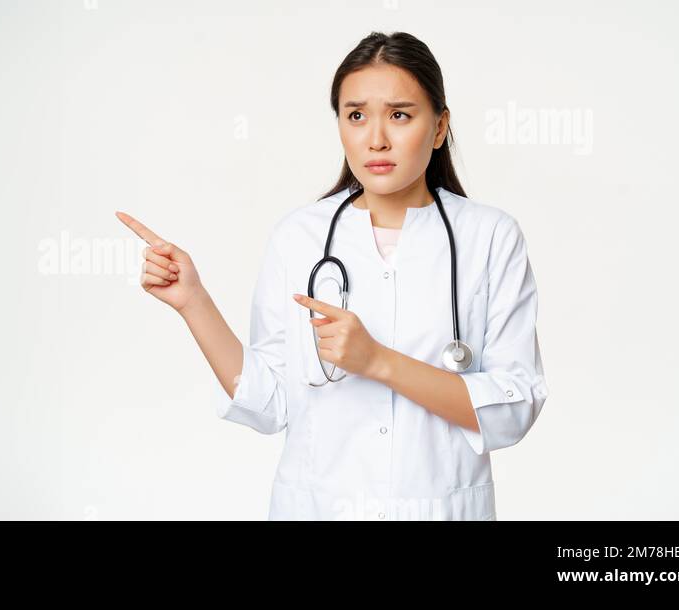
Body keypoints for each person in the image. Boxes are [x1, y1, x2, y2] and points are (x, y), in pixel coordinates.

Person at [115, 31, 547, 520]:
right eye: (356, 115)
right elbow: (269, 402)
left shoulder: (490, 237)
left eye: (400, 114)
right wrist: (193, 302)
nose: (376, 138)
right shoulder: (299, 236)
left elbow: (514, 407)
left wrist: (377, 361)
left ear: (441, 126)